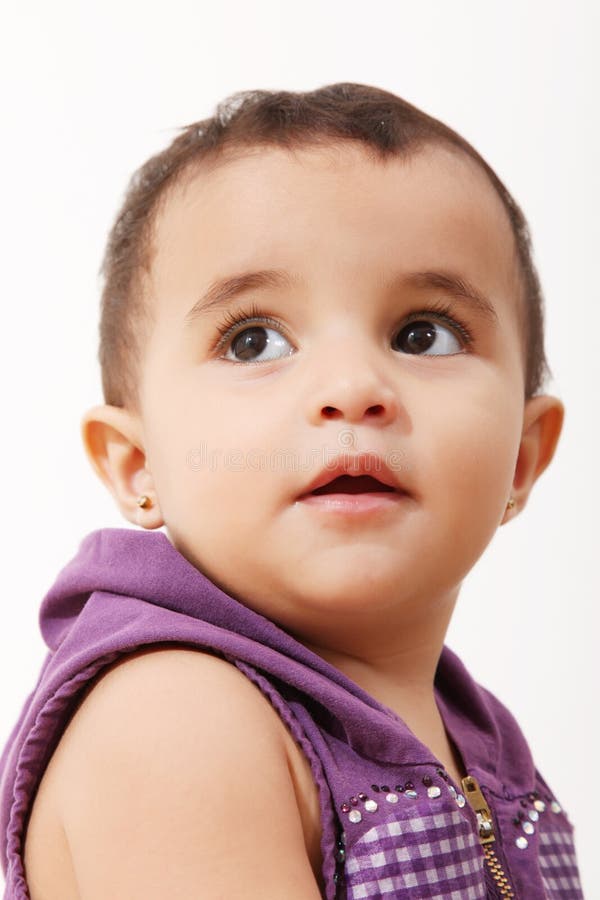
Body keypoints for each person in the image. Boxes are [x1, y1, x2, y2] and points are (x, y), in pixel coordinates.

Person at [0, 83, 583, 899]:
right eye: (254, 340)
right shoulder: (174, 720)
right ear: (138, 467)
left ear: (521, 459)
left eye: (425, 333)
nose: (352, 388)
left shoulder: (482, 739)